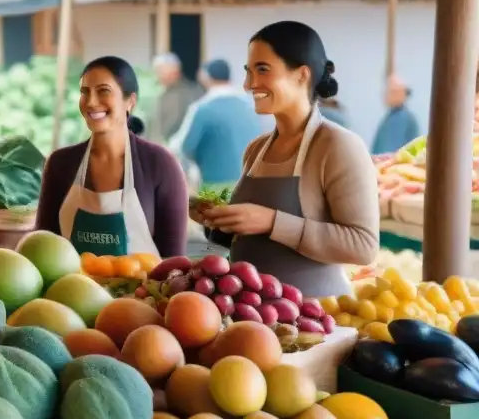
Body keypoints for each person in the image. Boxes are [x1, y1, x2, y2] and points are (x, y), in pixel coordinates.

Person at [193, 21, 379, 297]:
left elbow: (363, 246)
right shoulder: (256, 149)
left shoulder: (338, 146)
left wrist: (272, 222)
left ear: (302, 75)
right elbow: (242, 241)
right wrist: (214, 220)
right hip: (254, 317)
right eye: (248, 71)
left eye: (262, 70)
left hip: (316, 323)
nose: (249, 84)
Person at [36, 56, 189, 257]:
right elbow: (42, 248)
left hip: (143, 288)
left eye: (103, 91)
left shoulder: (160, 164)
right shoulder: (60, 164)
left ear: (130, 101)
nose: (91, 102)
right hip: (72, 288)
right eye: (85, 92)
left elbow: (174, 262)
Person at [169, 59, 265, 192]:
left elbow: (185, 147)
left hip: (217, 187)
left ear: (205, 77)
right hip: (253, 185)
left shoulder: (202, 108)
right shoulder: (252, 105)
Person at [148, 53, 203, 145]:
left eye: (160, 71)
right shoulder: (163, 91)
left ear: (175, 71)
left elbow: (172, 124)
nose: (158, 75)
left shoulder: (187, 92)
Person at [372, 74, 420, 155]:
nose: (385, 95)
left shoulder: (400, 119)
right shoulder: (393, 116)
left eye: (390, 91)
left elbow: (388, 153)